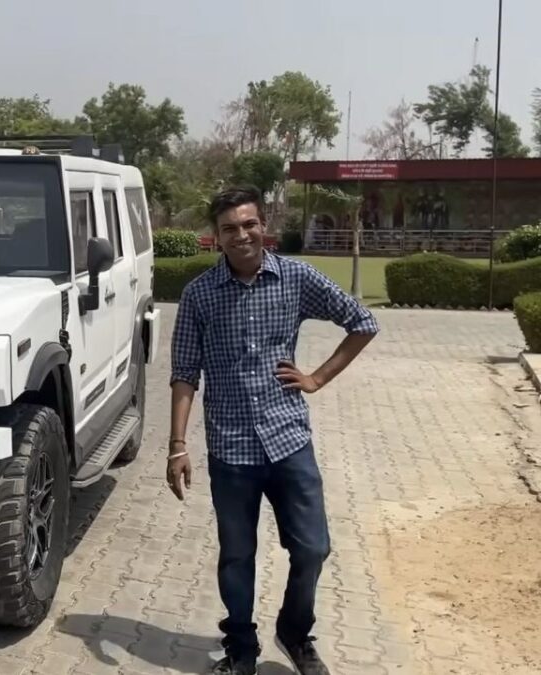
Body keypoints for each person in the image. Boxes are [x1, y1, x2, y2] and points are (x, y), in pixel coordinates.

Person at [166, 186, 379, 675]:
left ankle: (294, 631)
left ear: (264, 227)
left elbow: (362, 321)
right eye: (229, 229)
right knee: (237, 555)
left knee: (312, 547)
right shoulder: (199, 295)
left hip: (289, 443)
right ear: (216, 238)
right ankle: (241, 648)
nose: (241, 235)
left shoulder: (296, 278)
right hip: (230, 450)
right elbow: (184, 374)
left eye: (249, 224)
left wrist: (317, 378)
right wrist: (178, 446)